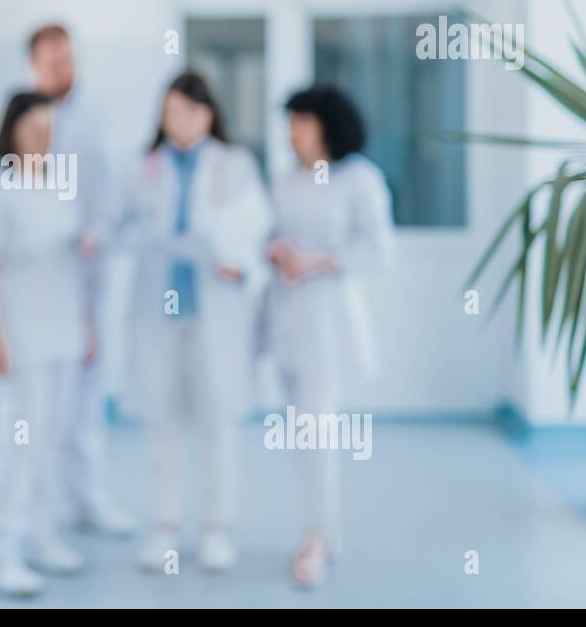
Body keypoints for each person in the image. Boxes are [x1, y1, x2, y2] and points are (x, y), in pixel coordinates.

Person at [0, 24, 134, 537]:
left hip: (70, 306)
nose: (65, 70)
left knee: (63, 423)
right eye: (53, 62)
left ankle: (58, 521)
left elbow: (106, 199)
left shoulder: (73, 154)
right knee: (20, 435)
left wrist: (97, 240)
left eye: (69, 60)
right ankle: (6, 544)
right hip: (22, 318)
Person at [121, 72, 272, 573]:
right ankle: (163, 528)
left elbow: (256, 232)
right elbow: (120, 227)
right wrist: (144, 234)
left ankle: (216, 529)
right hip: (158, 312)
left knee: (218, 423)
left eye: (186, 110)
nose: (177, 121)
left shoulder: (237, 164)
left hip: (215, 312)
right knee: (162, 423)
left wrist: (239, 261)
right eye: (169, 111)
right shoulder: (145, 165)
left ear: (208, 114)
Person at [267, 86, 394, 589]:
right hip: (287, 318)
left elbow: (380, 249)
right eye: (291, 122)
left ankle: (317, 537)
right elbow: (270, 232)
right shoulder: (286, 181)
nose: (293, 132)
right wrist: (275, 250)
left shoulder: (359, 178)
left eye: (301, 120)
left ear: (326, 124)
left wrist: (318, 260)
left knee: (318, 433)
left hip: (330, 321)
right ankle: (325, 530)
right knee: (303, 435)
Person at [0, 92, 93, 596]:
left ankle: (41, 536)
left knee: (49, 439)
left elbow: (73, 261)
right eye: (34, 131)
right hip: (21, 336)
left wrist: (87, 327)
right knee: (17, 444)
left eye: (49, 132)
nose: (43, 140)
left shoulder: (59, 186)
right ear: (13, 131)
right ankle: (1, 552)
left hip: (63, 330)